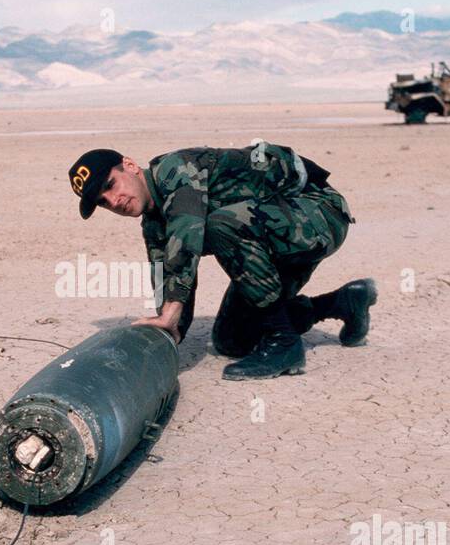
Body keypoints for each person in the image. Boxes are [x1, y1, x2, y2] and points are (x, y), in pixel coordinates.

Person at [68, 142, 375, 380]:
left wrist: (171, 312)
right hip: (277, 240)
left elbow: (186, 238)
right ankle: (341, 303)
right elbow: (167, 277)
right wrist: (167, 331)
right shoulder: (153, 224)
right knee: (232, 340)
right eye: (102, 202)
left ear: (131, 166)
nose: (113, 201)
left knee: (220, 225)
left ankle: (284, 344)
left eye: (110, 185)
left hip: (318, 215)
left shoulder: (176, 170)